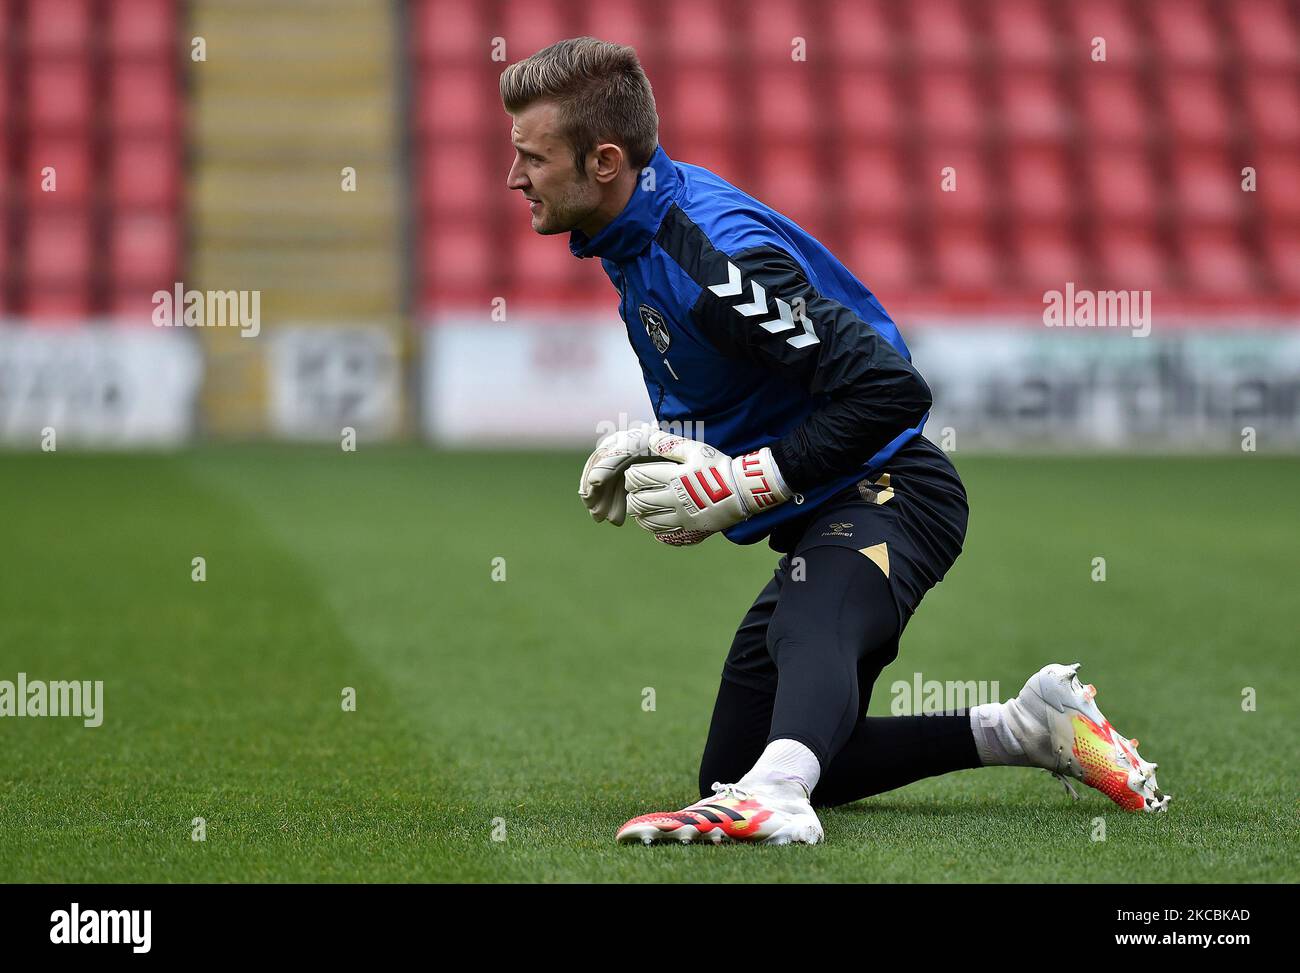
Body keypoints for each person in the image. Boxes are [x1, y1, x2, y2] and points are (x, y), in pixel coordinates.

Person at [500, 37, 1170, 844]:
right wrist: (677, 451)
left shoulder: (714, 258)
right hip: (827, 500)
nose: (515, 177)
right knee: (735, 762)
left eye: (531, 157)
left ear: (604, 161)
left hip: (896, 489)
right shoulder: (638, 239)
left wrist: (744, 483)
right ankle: (1026, 728)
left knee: (801, 643)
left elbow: (891, 391)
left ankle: (781, 798)